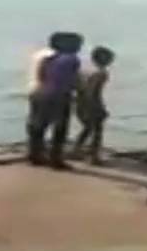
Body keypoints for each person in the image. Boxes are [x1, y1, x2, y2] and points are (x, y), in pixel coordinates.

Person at [27, 32, 83, 169]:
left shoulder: (48, 59)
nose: (80, 47)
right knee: (60, 128)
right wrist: (80, 93)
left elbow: (41, 76)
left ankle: (35, 155)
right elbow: (73, 80)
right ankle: (56, 160)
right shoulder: (72, 59)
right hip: (58, 96)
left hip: (40, 93)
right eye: (78, 44)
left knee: (38, 126)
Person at [73, 45, 115, 165]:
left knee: (88, 128)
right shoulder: (102, 74)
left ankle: (76, 150)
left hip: (82, 103)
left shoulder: (86, 71)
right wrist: (100, 109)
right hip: (92, 105)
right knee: (97, 131)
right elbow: (93, 93)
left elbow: (81, 88)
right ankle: (94, 157)